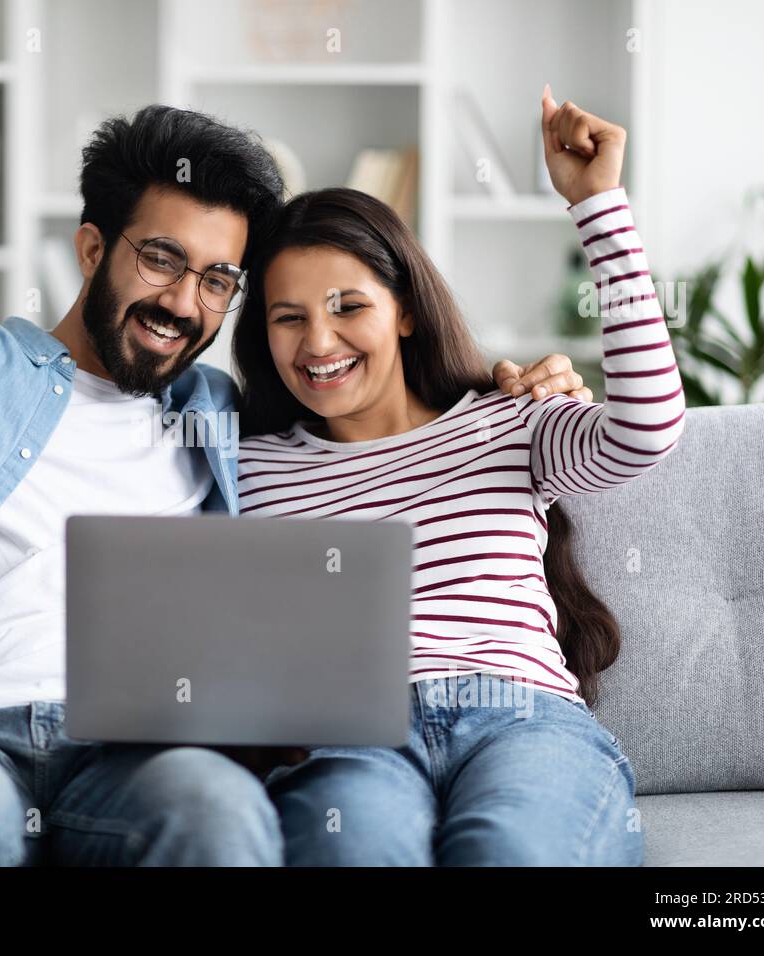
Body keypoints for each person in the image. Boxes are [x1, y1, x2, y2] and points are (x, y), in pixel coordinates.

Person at [0, 57, 590, 866]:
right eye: (160, 260)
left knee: (221, 815)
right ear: (93, 247)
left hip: (137, 752)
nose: (184, 301)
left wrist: (514, 386)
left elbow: (374, 418)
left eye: (218, 279)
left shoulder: (222, 421)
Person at [231, 88, 685, 865]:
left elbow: (647, 428)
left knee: (510, 849)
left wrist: (598, 206)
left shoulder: (507, 420)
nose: (319, 341)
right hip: (352, 736)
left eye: (348, 306)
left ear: (404, 309)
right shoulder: (245, 466)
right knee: (353, 847)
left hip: (523, 718)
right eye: (288, 316)